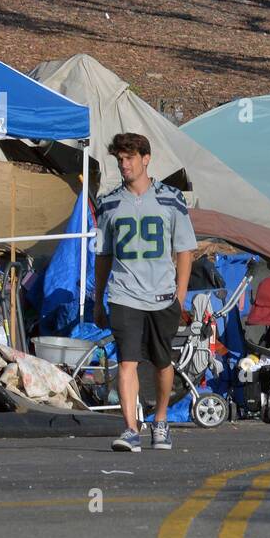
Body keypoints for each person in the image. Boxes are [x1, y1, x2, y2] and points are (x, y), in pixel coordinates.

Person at [93, 133, 196, 451]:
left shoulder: (171, 198)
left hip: (162, 296)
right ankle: (130, 429)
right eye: (120, 159)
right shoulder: (109, 202)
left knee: (162, 363)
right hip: (124, 295)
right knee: (127, 361)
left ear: (146, 159)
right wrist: (99, 299)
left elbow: (184, 250)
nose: (124, 165)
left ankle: (161, 420)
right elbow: (103, 256)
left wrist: (180, 296)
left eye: (130, 158)